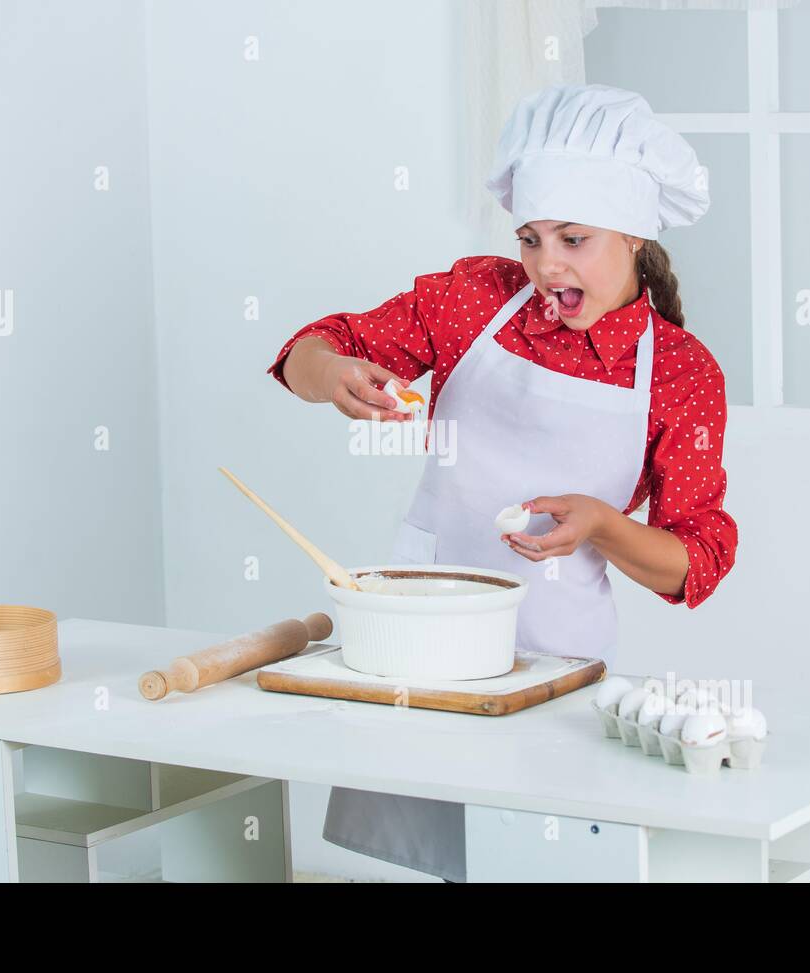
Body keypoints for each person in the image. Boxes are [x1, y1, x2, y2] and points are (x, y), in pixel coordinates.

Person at [266, 84, 738, 883]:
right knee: (432, 864)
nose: (546, 264)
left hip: (556, 663)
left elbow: (696, 561)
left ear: (632, 236)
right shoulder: (474, 298)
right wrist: (332, 373)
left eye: (574, 238)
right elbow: (320, 346)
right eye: (531, 237)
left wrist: (602, 524)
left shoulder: (682, 375)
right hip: (420, 643)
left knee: (537, 859)